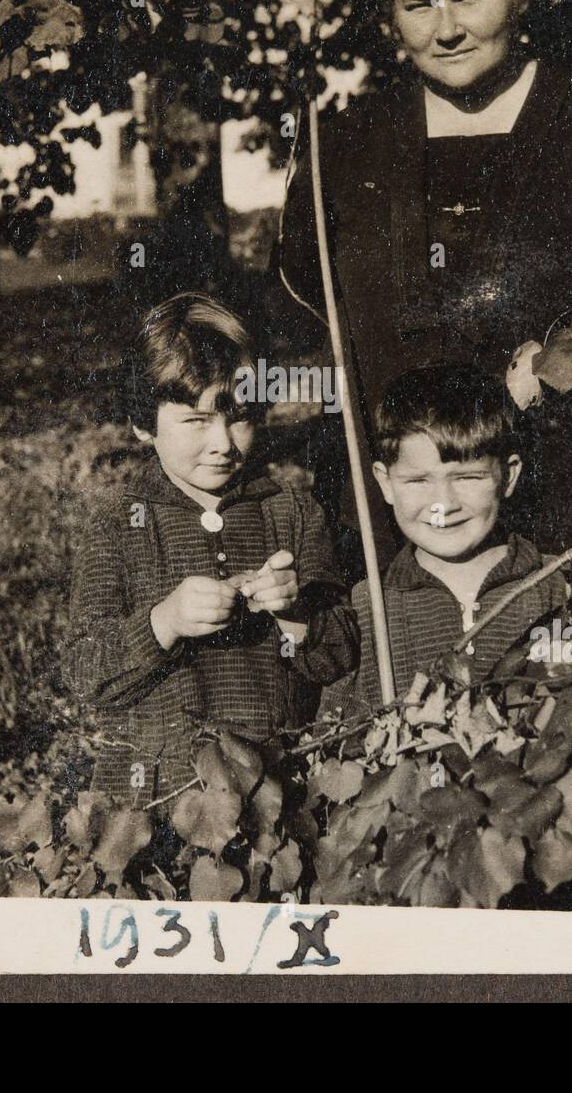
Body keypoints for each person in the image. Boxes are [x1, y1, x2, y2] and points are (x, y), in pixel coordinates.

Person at [277, 0, 572, 561]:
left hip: (569, 512)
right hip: (389, 526)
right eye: (418, 6)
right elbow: (308, 302)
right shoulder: (344, 149)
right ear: (390, 15)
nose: (446, 29)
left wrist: (570, 370)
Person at [65, 292, 358, 806]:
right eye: (196, 421)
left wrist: (296, 615)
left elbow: (340, 655)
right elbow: (86, 671)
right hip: (159, 798)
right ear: (142, 423)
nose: (223, 442)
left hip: (277, 786)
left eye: (239, 417)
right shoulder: (117, 525)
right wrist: (163, 622)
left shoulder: (292, 511)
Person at [323, 364, 566, 714]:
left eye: (467, 477)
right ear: (386, 482)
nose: (443, 505)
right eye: (418, 481)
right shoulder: (364, 610)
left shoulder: (555, 586)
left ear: (509, 477)